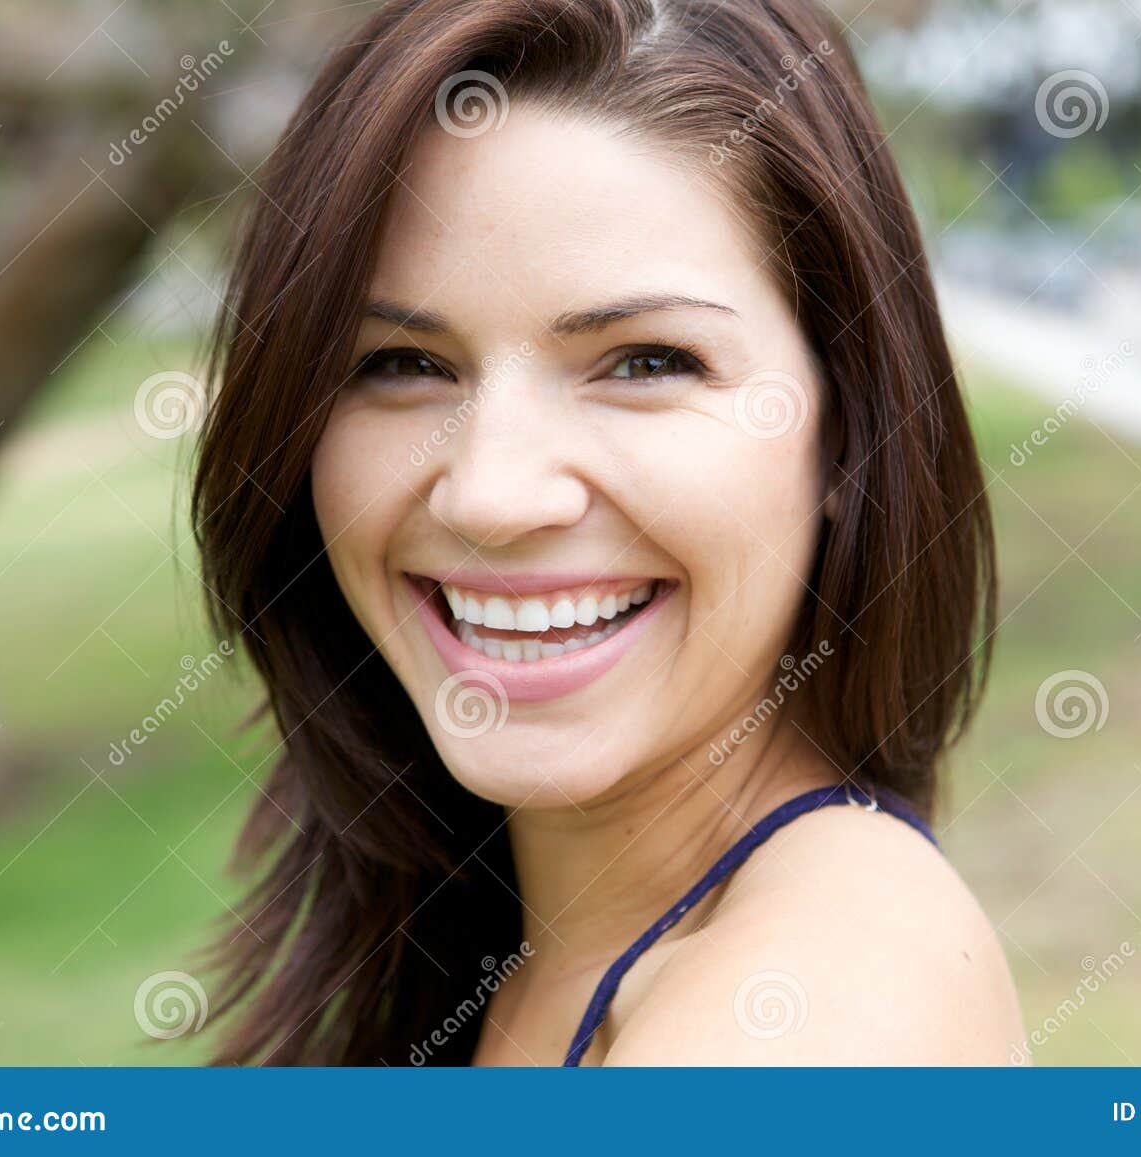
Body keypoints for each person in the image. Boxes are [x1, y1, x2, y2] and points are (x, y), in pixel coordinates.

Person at [191, 0, 1023, 1066]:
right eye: (400, 364)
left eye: (644, 362)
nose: (492, 495)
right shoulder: (505, 937)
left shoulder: (807, 1010)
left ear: (846, 429)